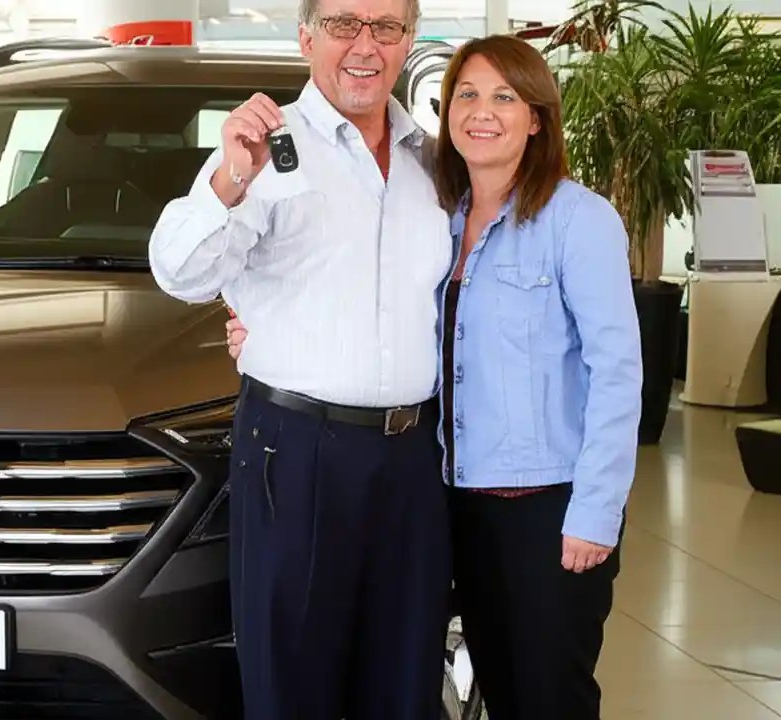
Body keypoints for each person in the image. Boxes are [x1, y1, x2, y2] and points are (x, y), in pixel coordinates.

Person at [226, 34, 643, 720]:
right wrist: (260, 330)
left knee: (547, 695)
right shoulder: (441, 212)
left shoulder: (578, 220)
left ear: (536, 117)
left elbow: (618, 373)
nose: (483, 112)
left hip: (545, 509)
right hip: (455, 502)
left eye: (505, 97)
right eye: (467, 96)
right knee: (488, 688)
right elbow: (380, 312)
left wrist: (596, 514)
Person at [148, 0, 454, 717]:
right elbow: (181, 273)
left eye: (386, 28)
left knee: (405, 679)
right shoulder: (262, 150)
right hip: (298, 450)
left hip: (414, 457)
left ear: (409, 41)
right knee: (293, 680)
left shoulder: (430, 162)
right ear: (305, 37)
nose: (366, 46)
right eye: (345, 23)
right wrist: (230, 179)